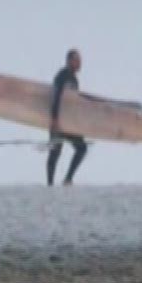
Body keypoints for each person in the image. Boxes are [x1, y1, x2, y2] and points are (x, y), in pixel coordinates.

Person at [46, 48, 88, 186]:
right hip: (58, 121)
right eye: (77, 61)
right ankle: (50, 183)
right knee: (55, 152)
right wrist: (54, 118)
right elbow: (56, 96)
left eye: (80, 61)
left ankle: (68, 178)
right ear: (70, 61)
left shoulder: (74, 79)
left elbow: (73, 103)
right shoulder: (62, 76)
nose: (80, 64)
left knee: (81, 148)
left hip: (69, 123)